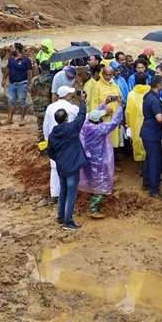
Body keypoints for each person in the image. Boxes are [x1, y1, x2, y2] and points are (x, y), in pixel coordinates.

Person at [48, 91, 88, 230]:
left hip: (61, 166)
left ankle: (60, 217)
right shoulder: (72, 128)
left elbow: (50, 152)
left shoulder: (53, 134)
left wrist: (59, 159)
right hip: (72, 166)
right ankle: (68, 221)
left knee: (63, 191)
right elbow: (81, 116)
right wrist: (83, 100)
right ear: (66, 118)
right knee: (71, 194)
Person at [79, 98, 124, 219]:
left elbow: (93, 113)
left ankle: (93, 200)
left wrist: (104, 104)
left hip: (88, 159)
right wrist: (120, 107)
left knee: (93, 180)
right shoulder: (100, 129)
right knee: (103, 184)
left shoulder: (85, 125)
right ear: (99, 120)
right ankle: (93, 208)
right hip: (99, 160)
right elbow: (114, 122)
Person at [44, 86, 80, 199]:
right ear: (67, 95)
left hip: (53, 140)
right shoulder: (72, 108)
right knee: (70, 167)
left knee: (55, 168)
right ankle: (69, 193)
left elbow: (46, 124)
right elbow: (83, 118)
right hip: (67, 141)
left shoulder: (50, 107)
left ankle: (55, 194)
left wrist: (47, 139)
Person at [141, 75, 162, 201]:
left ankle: (146, 182)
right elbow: (159, 118)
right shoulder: (154, 99)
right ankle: (154, 189)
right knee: (155, 162)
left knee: (149, 159)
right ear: (158, 85)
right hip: (153, 133)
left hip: (147, 131)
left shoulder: (149, 95)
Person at [89, 64, 124, 149]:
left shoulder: (114, 85)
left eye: (110, 75)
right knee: (104, 144)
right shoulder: (97, 86)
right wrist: (98, 117)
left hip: (114, 118)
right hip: (103, 120)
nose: (108, 77)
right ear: (102, 74)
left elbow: (120, 101)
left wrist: (120, 118)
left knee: (113, 142)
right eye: (106, 75)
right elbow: (93, 103)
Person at [2, 42, 33, 125]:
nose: (11, 49)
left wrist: (30, 84)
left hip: (22, 84)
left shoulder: (26, 60)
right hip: (11, 84)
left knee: (22, 101)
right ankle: (10, 119)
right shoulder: (11, 58)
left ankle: (22, 119)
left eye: (12, 48)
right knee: (11, 100)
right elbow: (8, 68)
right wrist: (4, 78)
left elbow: (30, 72)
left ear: (17, 50)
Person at [126, 72, 150, 167]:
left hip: (135, 123)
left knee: (138, 142)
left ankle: (140, 166)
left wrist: (128, 124)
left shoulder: (131, 94)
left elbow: (128, 111)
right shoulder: (150, 92)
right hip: (149, 122)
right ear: (146, 81)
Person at [30, 61, 55, 150]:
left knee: (41, 128)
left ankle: (42, 147)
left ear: (41, 68)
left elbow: (31, 92)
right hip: (49, 107)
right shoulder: (53, 80)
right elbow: (54, 94)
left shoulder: (34, 79)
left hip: (38, 107)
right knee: (51, 127)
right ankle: (51, 146)